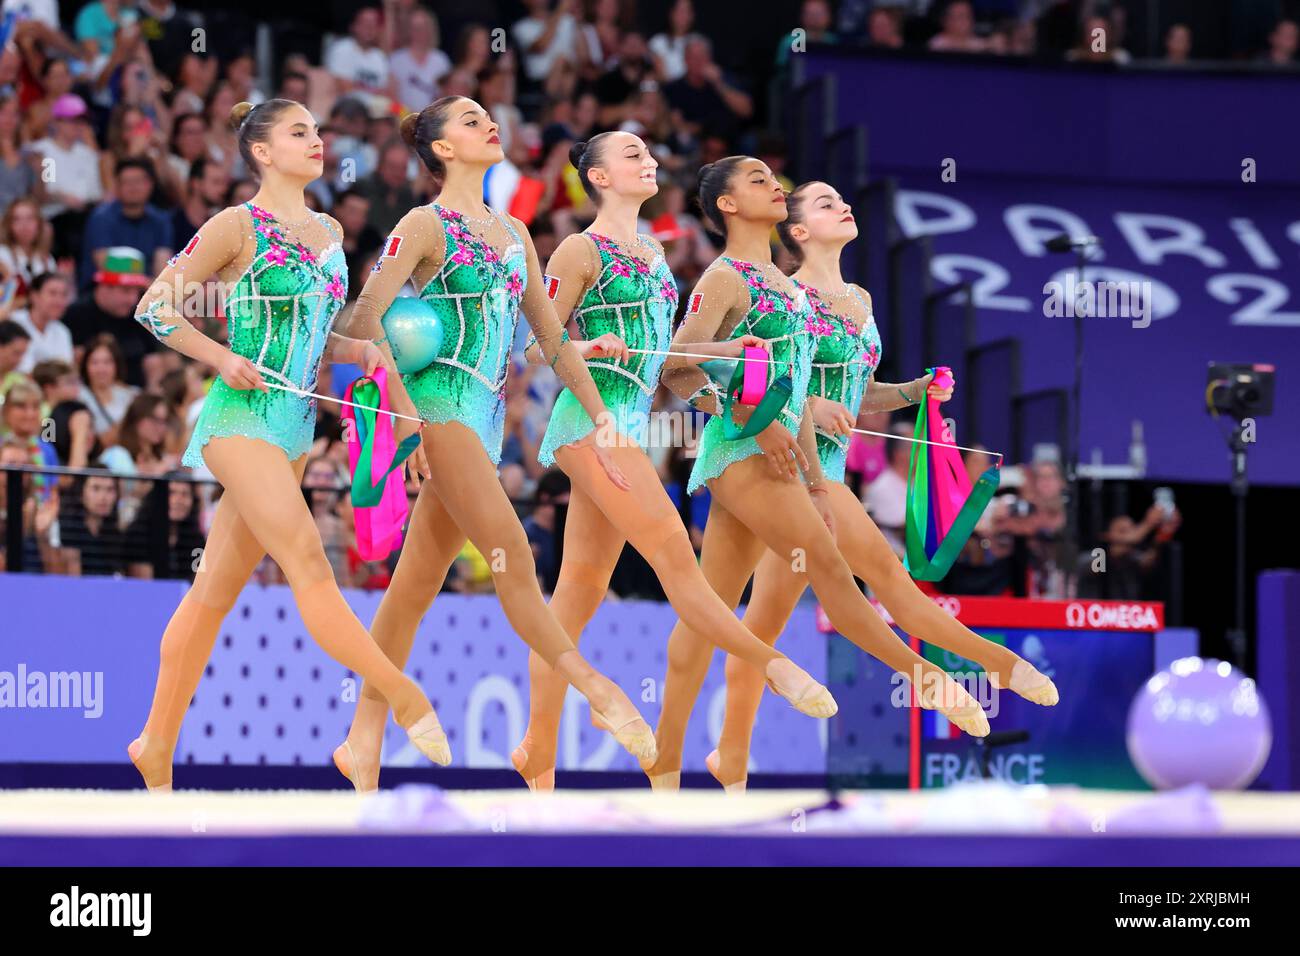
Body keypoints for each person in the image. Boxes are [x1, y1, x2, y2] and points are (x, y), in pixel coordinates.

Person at [124, 98, 452, 792]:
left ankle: (155, 743)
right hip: (238, 420)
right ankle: (401, 694)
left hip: (295, 429)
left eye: (317, 131)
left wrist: (361, 351)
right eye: (298, 132)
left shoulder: (331, 230)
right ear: (262, 153)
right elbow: (154, 306)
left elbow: (317, 335)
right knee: (307, 559)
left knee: (211, 595)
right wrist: (218, 357)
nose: (317, 141)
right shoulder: (235, 225)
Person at [336, 95, 662, 792]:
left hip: (482, 419)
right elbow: (365, 320)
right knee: (510, 553)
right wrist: (400, 412)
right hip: (435, 405)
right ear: (444, 150)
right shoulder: (424, 223)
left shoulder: (516, 230)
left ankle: (362, 737)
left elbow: (550, 341)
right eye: (470, 119)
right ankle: (595, 688)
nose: (490, 122)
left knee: (416, 585)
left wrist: (601, 412)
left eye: (491, 114)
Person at [644, 157, 993, 790]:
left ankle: (709, 761)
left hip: (805, 463)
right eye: (760, 182)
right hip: (749, 452)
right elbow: (678, 366)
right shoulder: (737, 278)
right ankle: (929, 679)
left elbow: (816, 388)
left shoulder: (806, 293)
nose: (773, 187)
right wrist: (756, 409)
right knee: (842, 578)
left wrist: (911, 392)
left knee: (726, 613)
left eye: (776, 181)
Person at [706, 181, 1059, 791]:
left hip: (829, 466)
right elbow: (766, 373)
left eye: (842, 200)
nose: (843, 207)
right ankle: (989, 666)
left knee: (763, 627)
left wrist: (911, 393)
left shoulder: (861, 298)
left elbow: (858, 392)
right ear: (796, 232)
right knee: (889, 580)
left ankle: (730, 763)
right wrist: (804, 401)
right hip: (788, 458)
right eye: (824, 204)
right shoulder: (790, 298)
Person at [510, 133, 836, 790]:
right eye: (632, 155)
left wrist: (724, 352)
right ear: (599, 177)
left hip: (634, 424)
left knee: (577, 592)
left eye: (649, 153)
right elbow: (538, 348)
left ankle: (536, 752)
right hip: (588, 422)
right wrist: (589, 347)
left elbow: (661, 360)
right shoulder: (579, 249)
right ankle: (771, 663)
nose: (649, 160)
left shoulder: (655, 253)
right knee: (675, 559)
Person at [63, 252, 159, 387]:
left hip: (136, 397)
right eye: (126, 291)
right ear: (104, 287)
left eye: (136, 292)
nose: (132, 299)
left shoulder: (141, 311)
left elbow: (152, 360)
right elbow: (75, 364)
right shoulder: (77, 314)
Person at [81, 157, 174, 293]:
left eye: (138, 181)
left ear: (150, 185)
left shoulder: (160, 220)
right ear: (117, 187)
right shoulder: (101, 218)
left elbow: (162, 269)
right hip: (107, 291)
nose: (133, 187)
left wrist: (156, 290)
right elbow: (107, 266)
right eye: (127, 182)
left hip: (146, 293)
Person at [59, 470, 127, 577]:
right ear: (81, 493)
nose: (103, 497)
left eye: (110, 490)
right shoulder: (70, 529)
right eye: (96, 488)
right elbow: (73, 580)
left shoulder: (115, 533)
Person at [76, 334, 139, 445]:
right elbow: (98, 442)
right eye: (94, 362)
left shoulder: (130, 394)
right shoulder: (79, 397)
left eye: (107, 362)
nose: (101, 369)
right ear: (85, 366)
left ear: (116, 365)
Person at [12, 272, 74, 372]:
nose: (59, 301)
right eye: (52, 293)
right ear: (34, 296)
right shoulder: (14, 322)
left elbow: (65, 371)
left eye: (64, 295)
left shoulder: (62, 331)